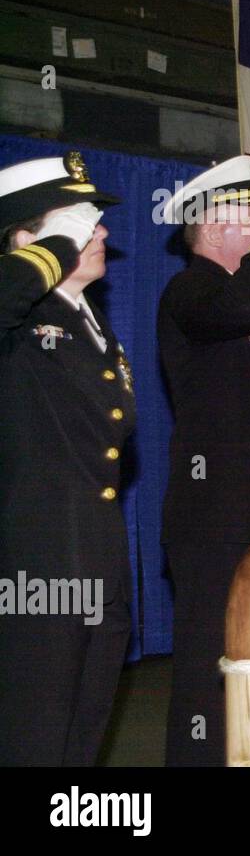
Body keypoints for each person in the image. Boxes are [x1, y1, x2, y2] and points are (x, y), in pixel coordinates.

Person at [158, 155, 250, 766]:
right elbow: (239, 311)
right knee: (205, 656)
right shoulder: (192, 289)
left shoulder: (248, 302)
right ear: (214, 226)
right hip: (211, 505)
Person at [0, 154, 134, 765]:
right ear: (27, 240)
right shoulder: (20, 323)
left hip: (98, 555)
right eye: (79, 221)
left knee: (85, 726)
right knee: (38, 726)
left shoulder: (89, 324)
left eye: (95, 221)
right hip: (38, 566)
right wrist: (56, 243)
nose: (98, 231)